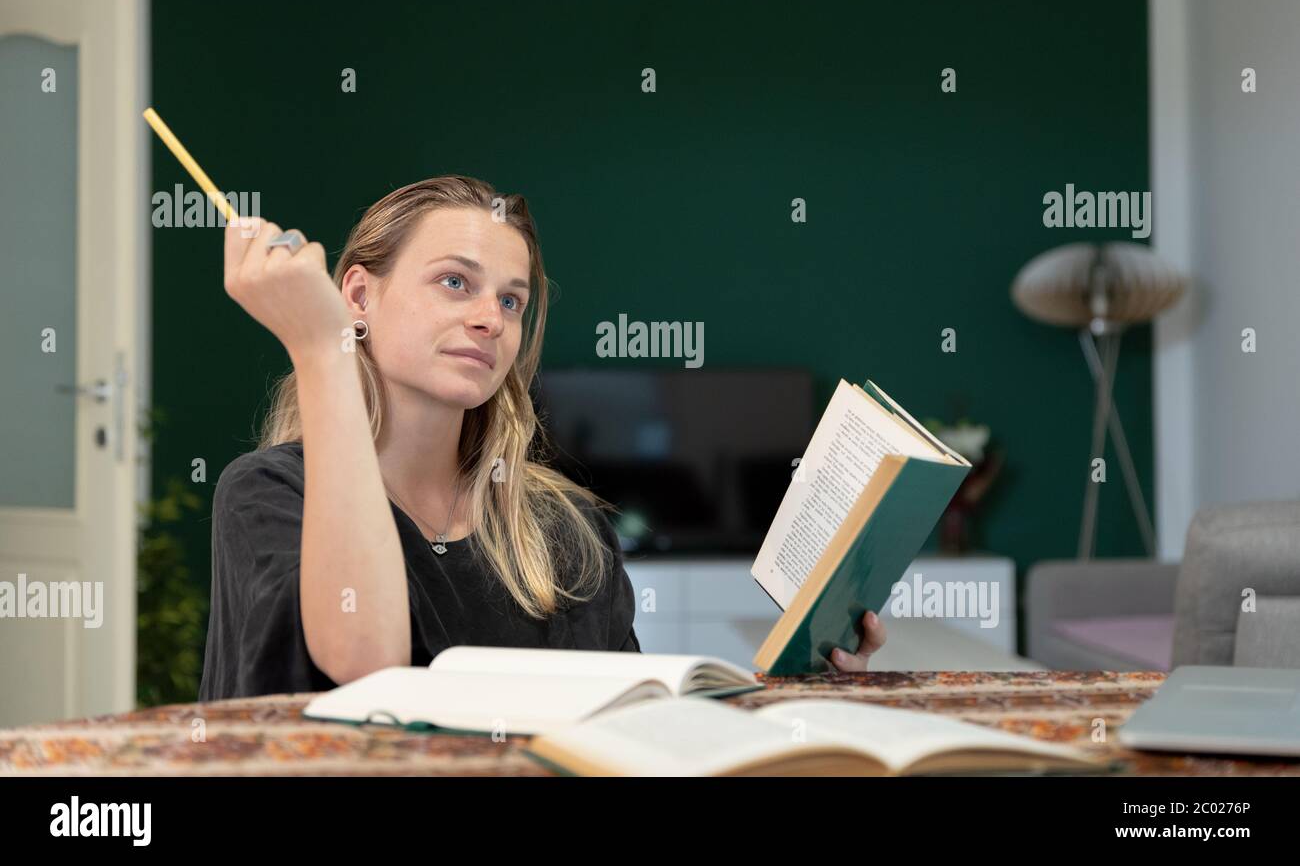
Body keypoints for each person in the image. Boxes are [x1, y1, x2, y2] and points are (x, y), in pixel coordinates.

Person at [197, 175, 886, 700]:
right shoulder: (269, 495)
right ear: (356, 296)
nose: (489, 319)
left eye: (510, 300)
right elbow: (367, 662)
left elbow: (634, 730)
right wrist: (322, 351)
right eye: (454, 282)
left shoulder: (569, 529)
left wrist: (803, 683)